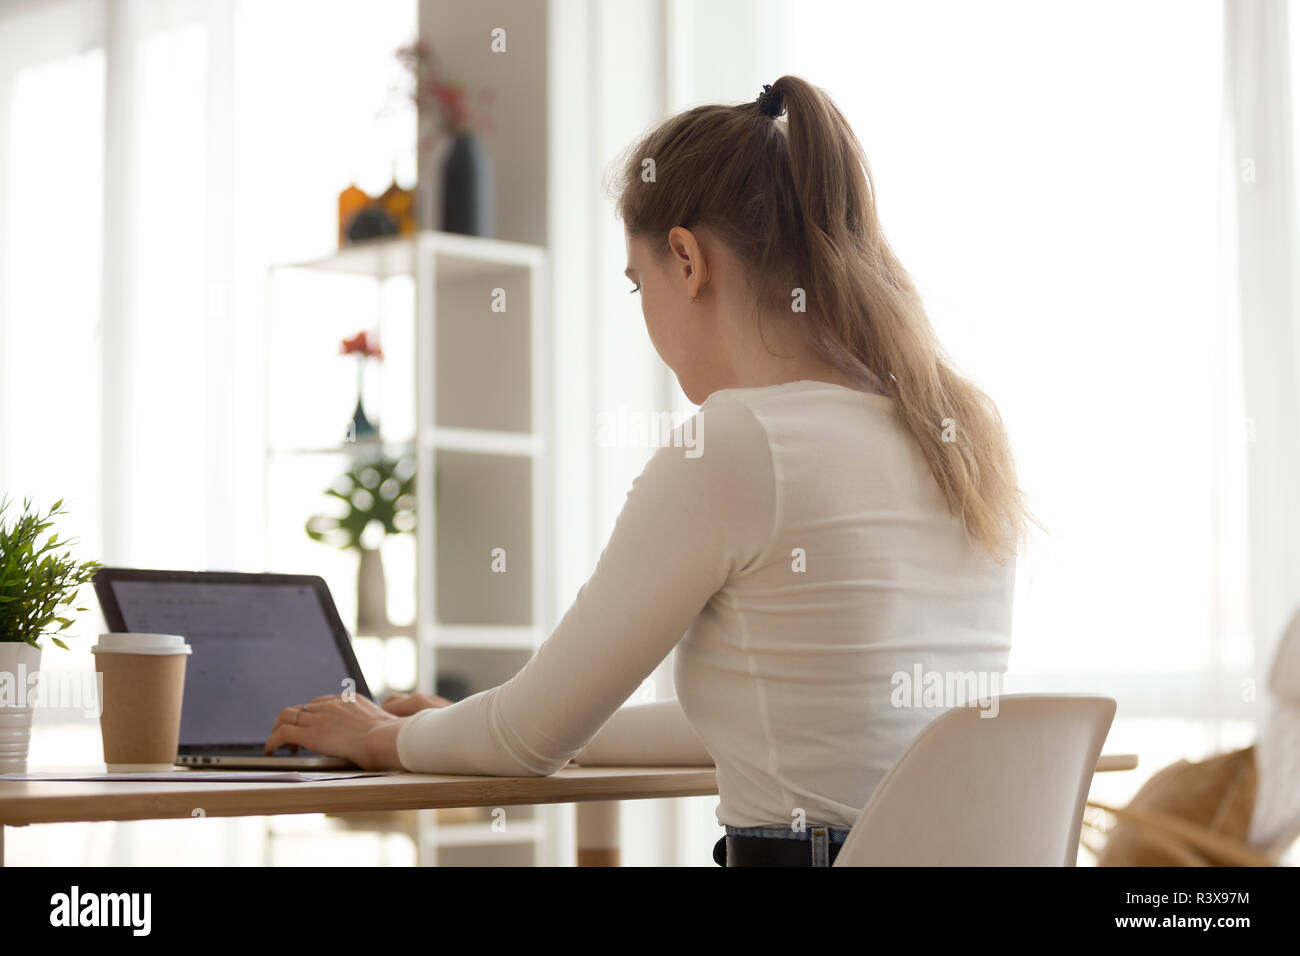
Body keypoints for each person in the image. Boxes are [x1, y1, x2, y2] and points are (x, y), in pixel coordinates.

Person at [266, 75, 1037, 867]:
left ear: (686, 259)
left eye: (638, 285)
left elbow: (527, 741)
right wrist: (450, 728)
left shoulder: (741, 442)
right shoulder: (959, 432)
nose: (644, 316)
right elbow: (756, 721)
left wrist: (391, 737)